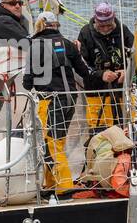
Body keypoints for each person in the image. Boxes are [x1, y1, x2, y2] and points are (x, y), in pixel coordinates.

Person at [23, 11, 93, 196]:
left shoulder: (35, 45)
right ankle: (51, 184)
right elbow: (84, 72)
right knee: (54, 141)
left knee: (52, 142)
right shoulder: (68, 44)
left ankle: (64, 186)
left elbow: (27, 82)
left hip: (50, 99)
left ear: (39, 25)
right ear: (56, 25)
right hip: (71, 98)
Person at [77, 2, 134, 132]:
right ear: (96, 21)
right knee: (99, 132)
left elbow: (135, 55)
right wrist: (101, 74)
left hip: (121, 91)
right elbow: (81, 63)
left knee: (128, 128)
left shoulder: (122, 30)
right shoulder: (85, 33)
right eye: (102, 25)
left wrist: (127, 71)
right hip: (96, 92)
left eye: (109, 25)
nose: (105, 29)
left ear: (113, 19)